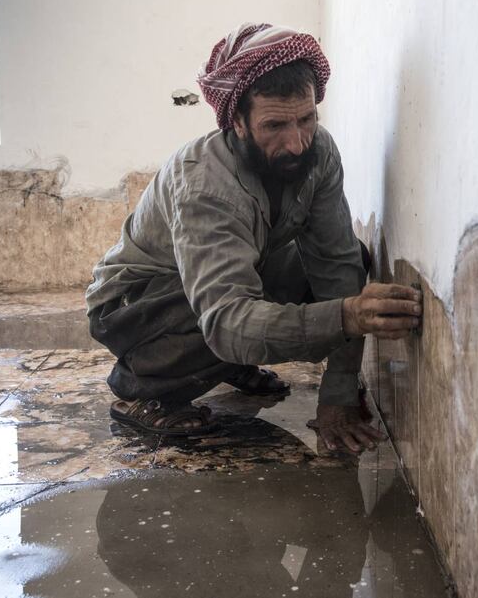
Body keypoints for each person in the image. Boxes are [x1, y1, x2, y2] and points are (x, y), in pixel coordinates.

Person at [86, 23, 423, 454]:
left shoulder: (319, 153)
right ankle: (142, 384)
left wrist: (337, 394)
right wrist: (347, 317)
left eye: (306, 119)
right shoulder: (205, 185)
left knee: (350, 260)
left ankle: (227, 363)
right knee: (230, 327)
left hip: (209, 290)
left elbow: (337, 266)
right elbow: (227, 321)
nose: (297, 143)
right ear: (238, 124)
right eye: (274, 126)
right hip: (133, 306)